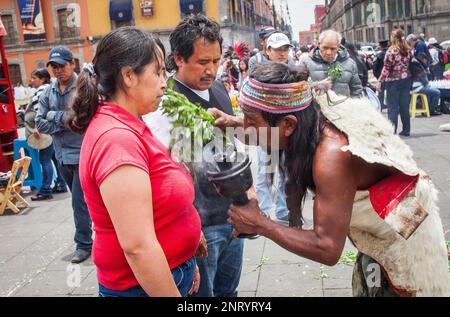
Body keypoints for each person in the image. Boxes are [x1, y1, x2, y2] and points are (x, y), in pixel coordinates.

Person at [218, 61, 449, 296]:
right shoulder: (309, 108)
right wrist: (232, 122)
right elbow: (268, 127)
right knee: (372, 277)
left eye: (250, 119)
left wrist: (260, 223)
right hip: (381, 232)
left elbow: (327, 248)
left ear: (288, 124)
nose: (244, 126)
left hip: (408, 246)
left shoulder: (332, 158)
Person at [66, 27, 201, 297]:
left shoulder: (129, 122)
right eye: (159, 71)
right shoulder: (117, 139)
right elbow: (138, 247)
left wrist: (187, 256)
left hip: (169, 271)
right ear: (129, 76)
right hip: (139, 287)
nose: (166, 81)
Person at [163, 14, 244, 297]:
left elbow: (233, 148)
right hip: (198, 225)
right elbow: (167, 173)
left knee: (229, 293)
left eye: (216, 61)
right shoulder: (167, 102)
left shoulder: (220, 89)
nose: (211, 70)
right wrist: (190, 225)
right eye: (202, 62)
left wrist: (246, 196)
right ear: (179, 58)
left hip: (232, 215)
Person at [35, 46, 93, 263]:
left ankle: (84, 244)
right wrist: (65, 120)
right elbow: (40, 122)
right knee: (83, 202)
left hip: (82, 154)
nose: (58, 70)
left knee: (78, 202)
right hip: (61, 155)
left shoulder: (84, 87)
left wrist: (54, 117)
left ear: (72, 64)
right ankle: (92, 235)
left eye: (61, 65)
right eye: (54, 67)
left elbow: (81, 120)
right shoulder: (48, 92)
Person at [22, 68, 66, 201]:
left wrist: (37, 127)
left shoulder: (42, 90)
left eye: (34, 78)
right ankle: (61, 184)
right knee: (54, 158)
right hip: (51, 129)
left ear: (42, 79)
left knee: (45, 160)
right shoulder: (51, 88)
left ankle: (46, 189)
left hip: (43, 131)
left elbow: (40, 112)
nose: (31, 80)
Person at [301, 29, 363, 97]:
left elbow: (357, 90)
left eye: (333, 49)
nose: (328, 53)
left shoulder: (350, 64)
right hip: (315, 107)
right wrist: (317, 85)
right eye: (325, 48)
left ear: (338, 46)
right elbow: (298, 90)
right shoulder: (306, 63)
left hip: (342, 106)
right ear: (319, 44)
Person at [376, 29, 412, 137]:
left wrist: (379, 81)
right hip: (406, 80)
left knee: (392, 106)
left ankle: (392, 131)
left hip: (393, 81)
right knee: (404, 106)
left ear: (394, 38)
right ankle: (406, 130)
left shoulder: (391, 51)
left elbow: (386, 68)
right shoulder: (407, 49)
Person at [373, 39, 390, 110]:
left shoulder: (378, 55)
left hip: (381, 76)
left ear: (380, 46)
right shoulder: (390, 53)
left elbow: (375, 67)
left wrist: (377, 77)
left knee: (381, 91)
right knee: (390, 91)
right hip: (390, 76)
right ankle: (390, 104)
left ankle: (381, 104)